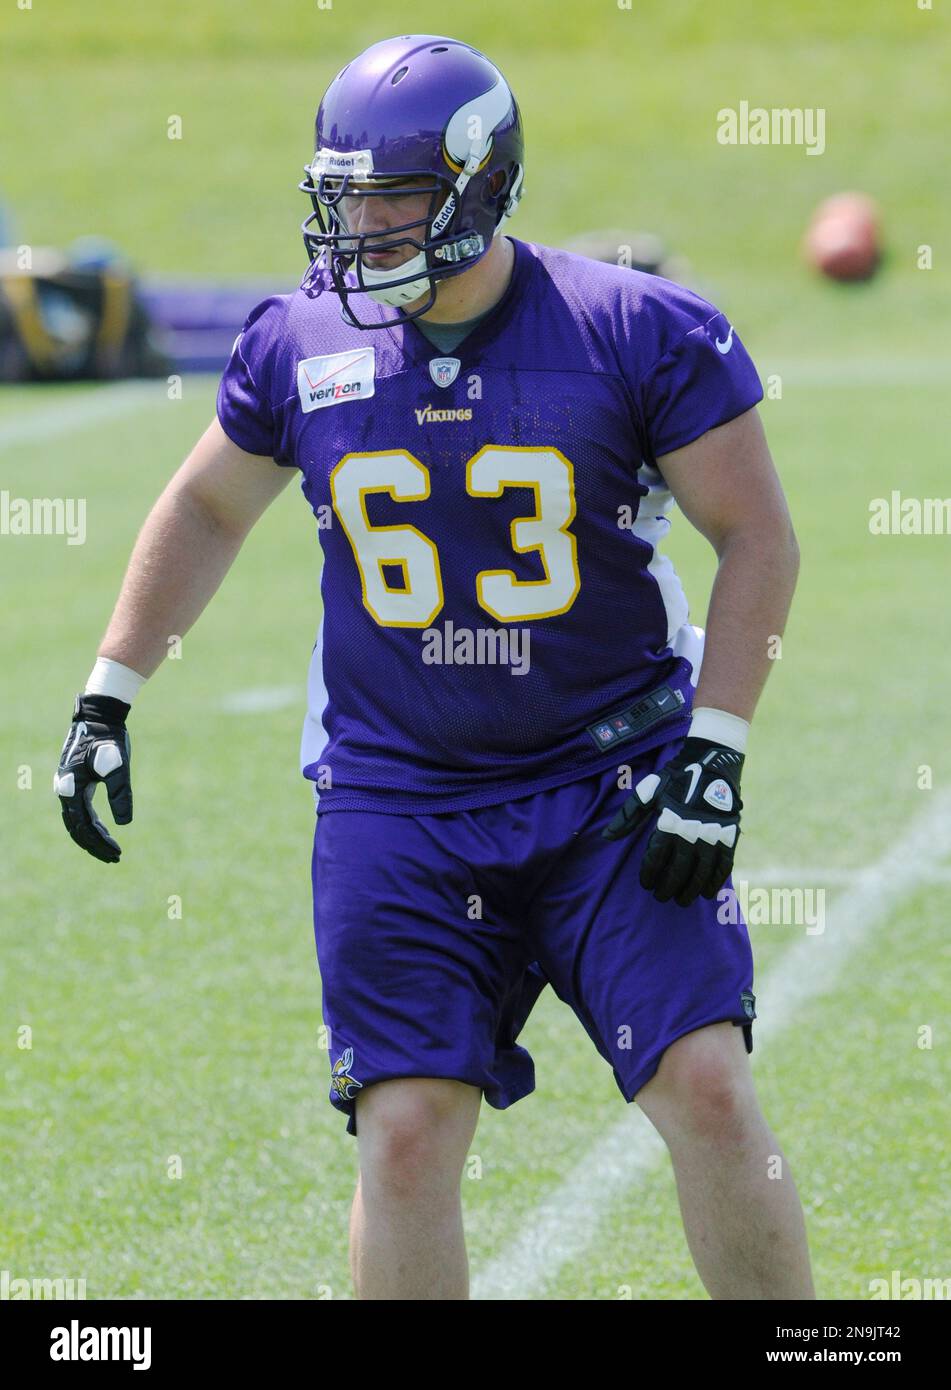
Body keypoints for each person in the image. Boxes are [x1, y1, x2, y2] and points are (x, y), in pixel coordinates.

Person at [55, 35, 811, 1300]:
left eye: (395, 198)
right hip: (398, 796)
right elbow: (205, 507)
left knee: (709, 1086)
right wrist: (107, 693)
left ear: (481, 183)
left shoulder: (629, 327)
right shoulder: (300, 339)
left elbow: (759, 536)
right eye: (347, 199)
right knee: (403, 1132)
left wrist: (717, 749)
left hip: (611, 776)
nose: (363, 229)